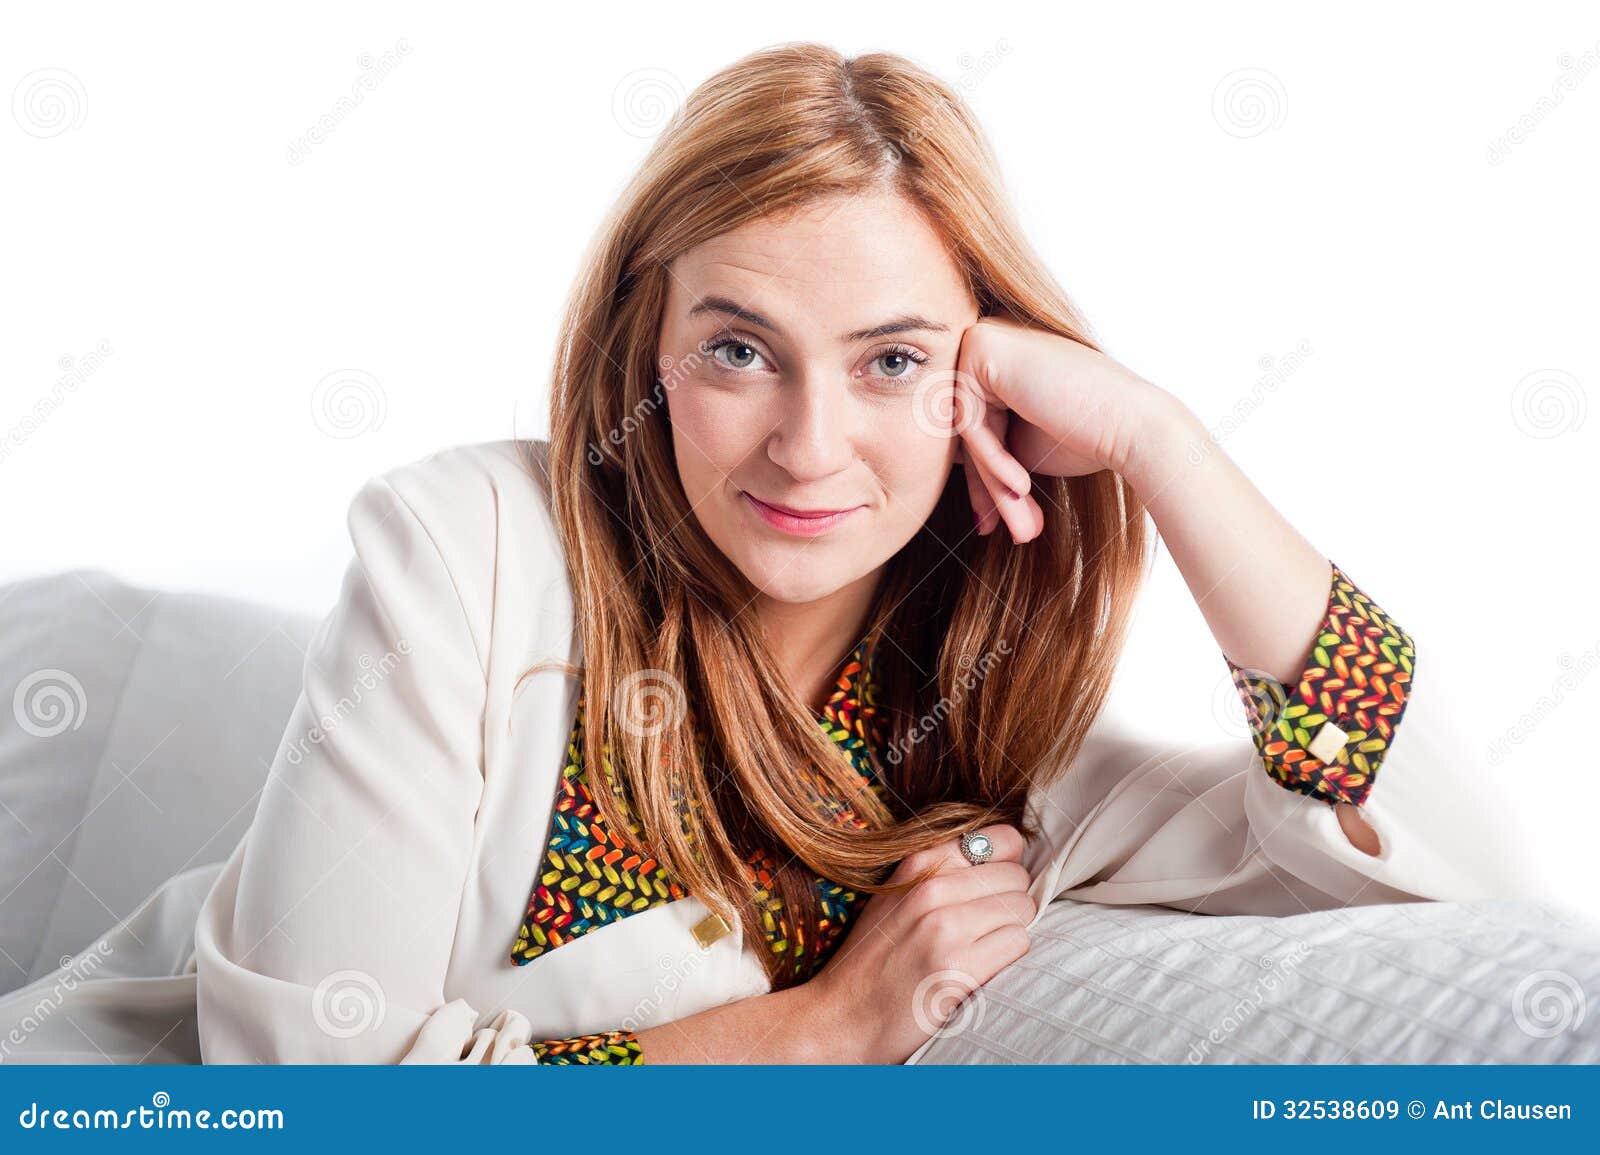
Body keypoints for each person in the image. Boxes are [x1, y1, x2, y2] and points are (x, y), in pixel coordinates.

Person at [189, 42, 1539, 1065]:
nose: (807, 445)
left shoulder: (1001, 753)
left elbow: (1456, 883)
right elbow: (313, 1098)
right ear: (639, 347)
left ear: (984, 385)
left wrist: (1159, 441)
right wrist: (824, 1027)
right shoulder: (468, 554)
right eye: (738, 351)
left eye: (893, 361)